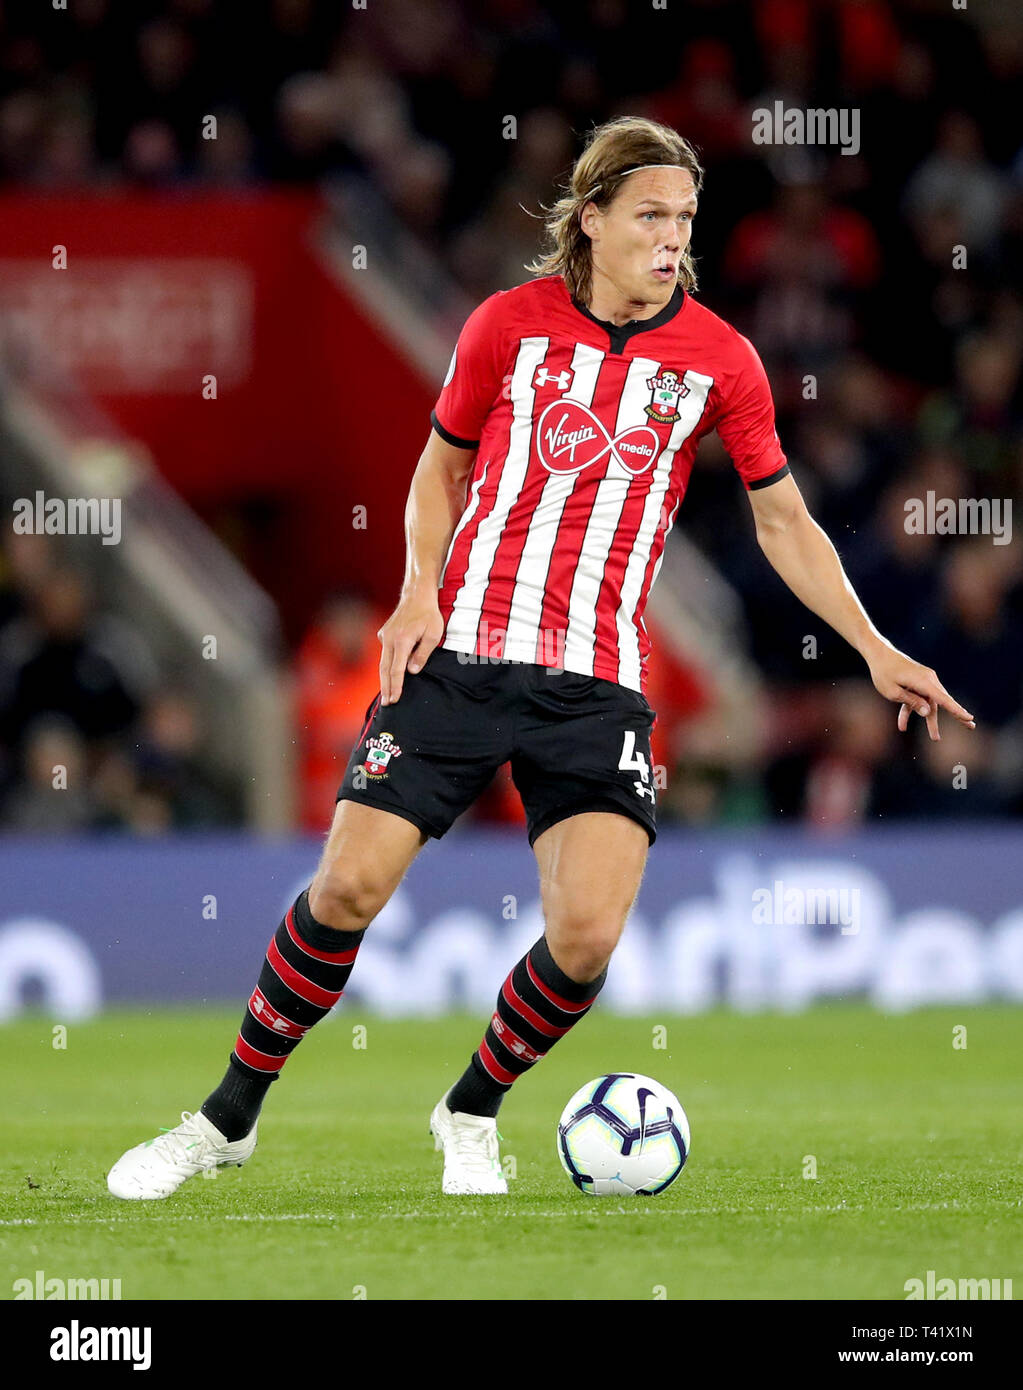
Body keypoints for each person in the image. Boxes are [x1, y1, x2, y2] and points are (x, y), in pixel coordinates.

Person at [107, 115, 974, 1200]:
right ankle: (224, 1117)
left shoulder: (720, 360)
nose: (672, 237)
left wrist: (874, 648)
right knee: (346, 886)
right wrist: (417, 588)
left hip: (599, 686)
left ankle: (470, 1108)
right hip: (463, 654)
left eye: (686, 219)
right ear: (595, 214)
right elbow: (437, 470)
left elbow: (785, 521)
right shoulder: (506, 327)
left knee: (587, 939)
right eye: (650, 214)